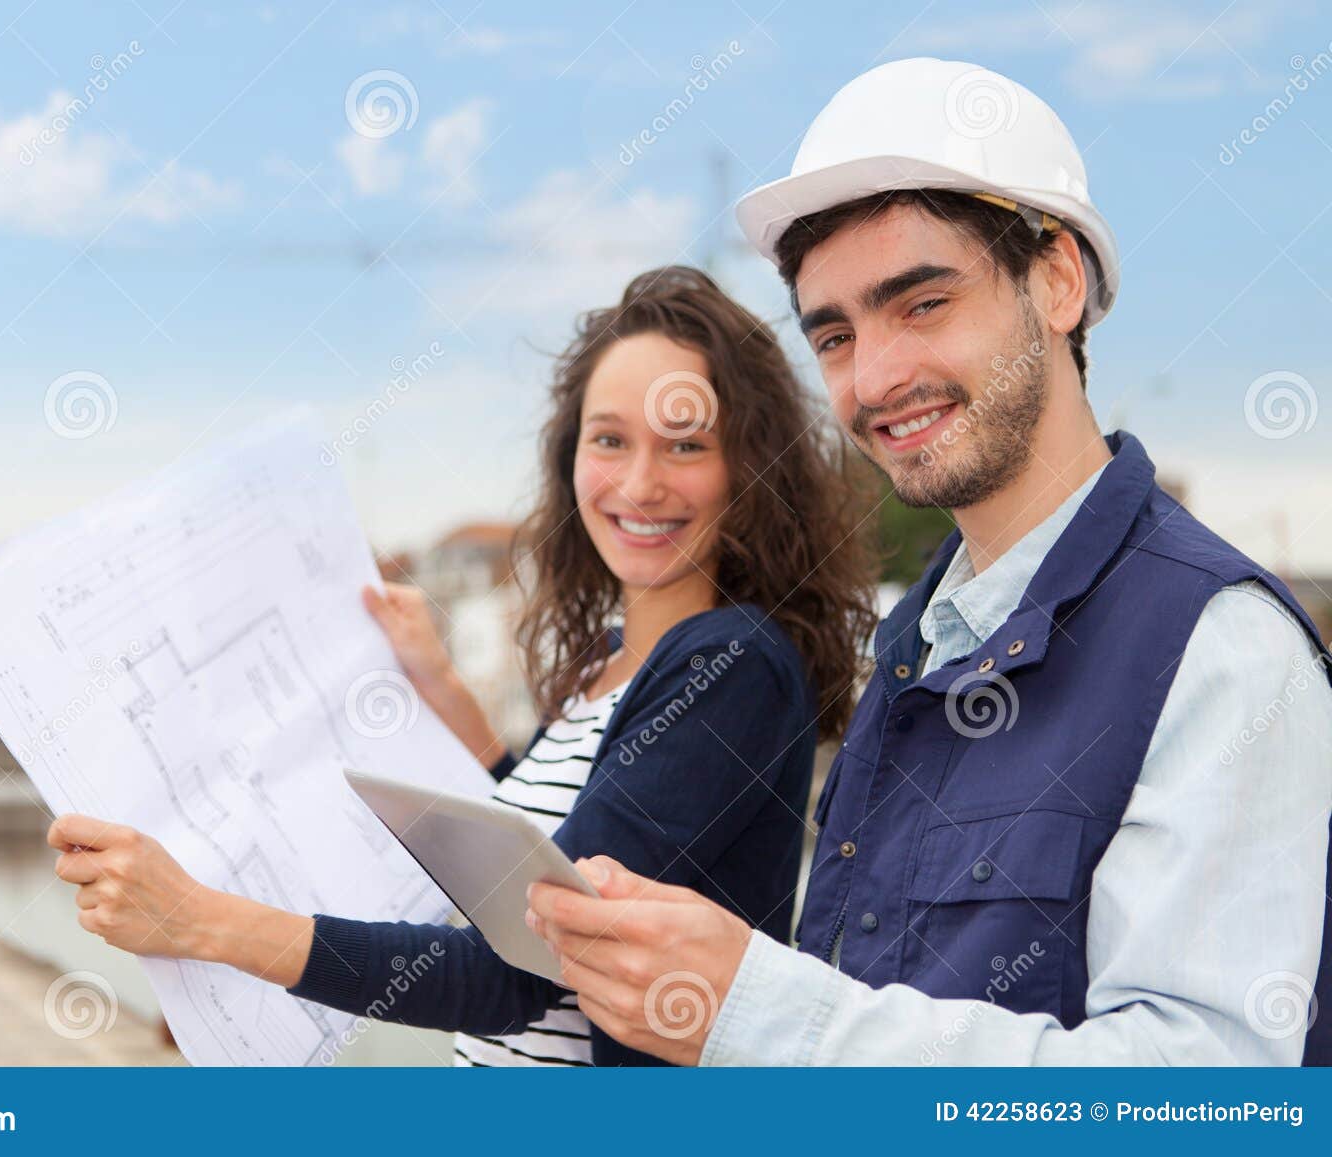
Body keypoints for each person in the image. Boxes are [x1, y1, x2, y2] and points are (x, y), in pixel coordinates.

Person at [527, 56, 1332, 1066]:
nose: (874, 378)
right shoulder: (916, 644)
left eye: (921, 304)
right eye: (834, 335)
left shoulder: (1220, 647)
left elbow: (1205, 1099)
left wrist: (760, 1009)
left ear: (1057, 280)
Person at [46, 265, 879, 1066]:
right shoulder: (611, 660)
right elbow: (559, 850)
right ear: (571, 456)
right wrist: (442, 688)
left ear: (748, 468)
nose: (638, 482)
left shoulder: (730, 665)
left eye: (685, 444)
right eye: (609, 439)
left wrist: (201, 920)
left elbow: (516, 969)